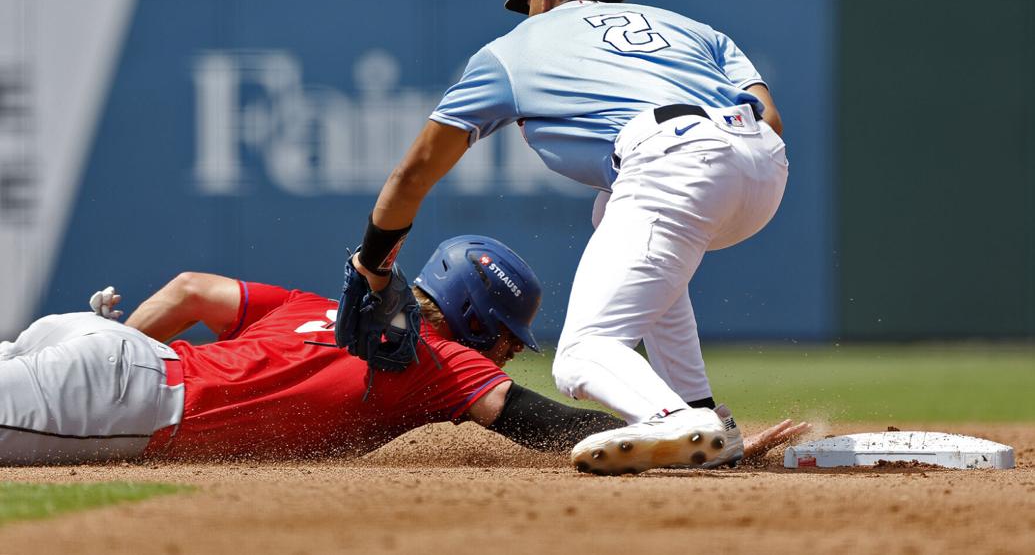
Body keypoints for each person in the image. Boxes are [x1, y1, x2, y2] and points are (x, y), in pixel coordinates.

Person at [346, 0, 790, 475]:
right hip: (764, 168)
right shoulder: (693, 29)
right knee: (611, 209)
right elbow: (770, 118)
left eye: (528, 0)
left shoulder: (512, 51)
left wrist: (372, 261)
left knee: (581, 354)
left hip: (676, 161)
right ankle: (698, 411)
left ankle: (673, 418)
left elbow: (414, 172)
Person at [0, 236, 631, 464]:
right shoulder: (441, 360)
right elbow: (544, 424)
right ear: (473, 321)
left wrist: (117, 346)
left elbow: (190, 290)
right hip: (131, 401)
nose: (504, 357)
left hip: (99, 344)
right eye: (502, 339)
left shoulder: (314, 306)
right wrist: (667, 433)